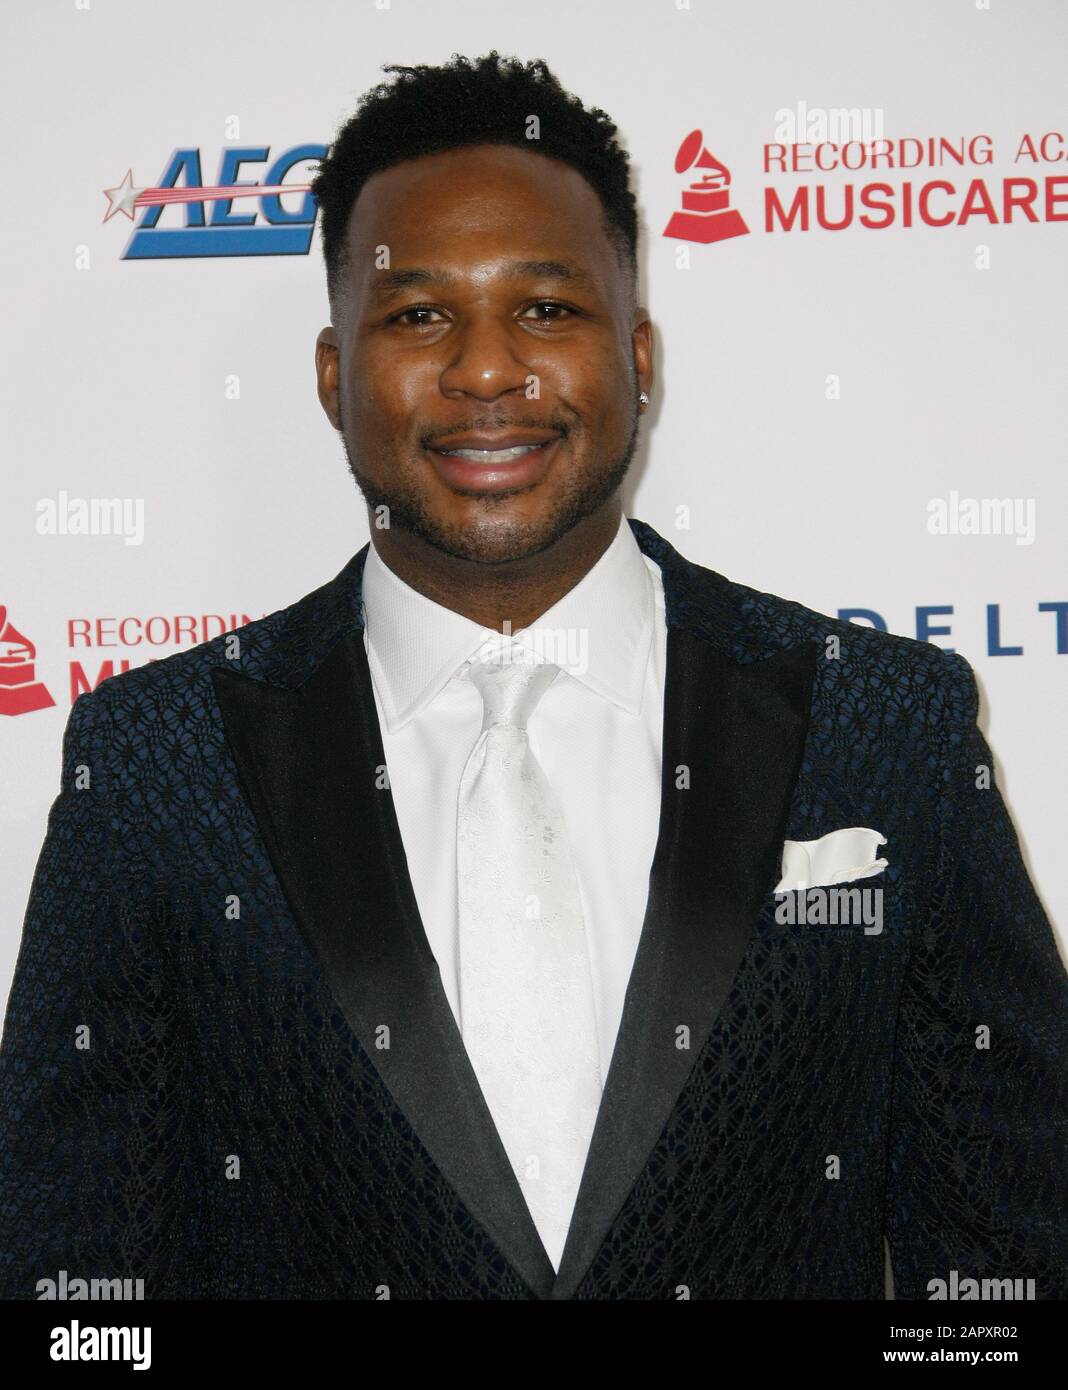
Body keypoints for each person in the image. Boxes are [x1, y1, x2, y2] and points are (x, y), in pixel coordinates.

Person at [1, 51, 1065, 1302]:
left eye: (548, 310)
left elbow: (1009, 1274)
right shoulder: (153, 765)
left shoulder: (884, 724)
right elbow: (75, 1302)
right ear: (335, 374)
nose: (488, 369)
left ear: (642, 354)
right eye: (418, 314)